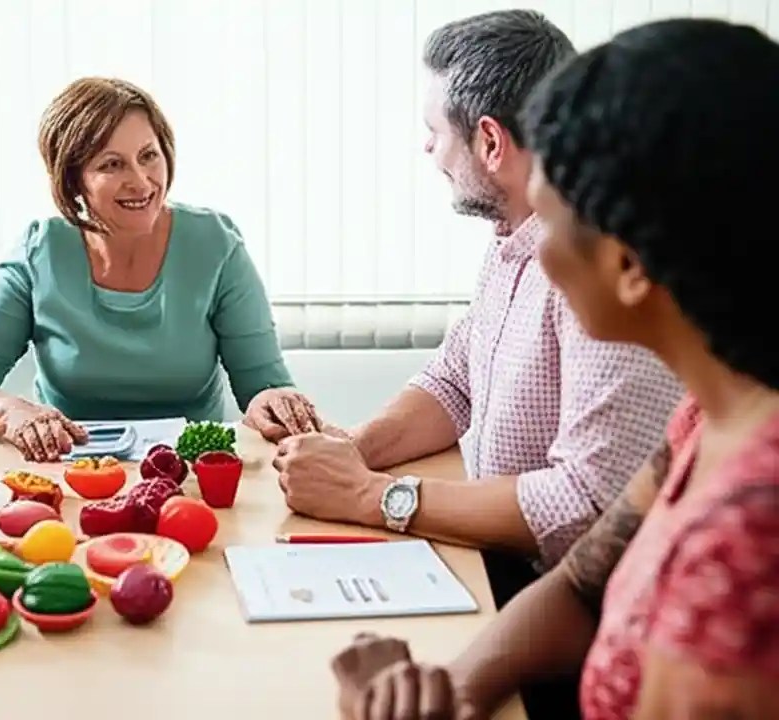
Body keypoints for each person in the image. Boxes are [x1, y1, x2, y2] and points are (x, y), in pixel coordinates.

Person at [332, 17, 779, 720]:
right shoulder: (704, 419)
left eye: (556, 212)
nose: (533, 248)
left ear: (629, 264)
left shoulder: (746, 535)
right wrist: (455, 690)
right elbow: (581, 582)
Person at [274, 10, 681, 601]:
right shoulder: (511, 235)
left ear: (490, 140)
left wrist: (371, 495)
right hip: (506, 569)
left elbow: (587, 505)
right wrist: (350, 455)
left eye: (435, 131)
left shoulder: (600, 267)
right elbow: (456, 378)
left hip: (576, 603)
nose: (429, 149)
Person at [0, 77, 321, 462]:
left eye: (148, 155)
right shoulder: (40, 253)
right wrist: (10, 411)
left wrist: (272, 400)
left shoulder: (215, 245)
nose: (141, 181)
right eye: (112, 165)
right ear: (73, 180)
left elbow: (262, 385)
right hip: (73, 476)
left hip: (188, 478)